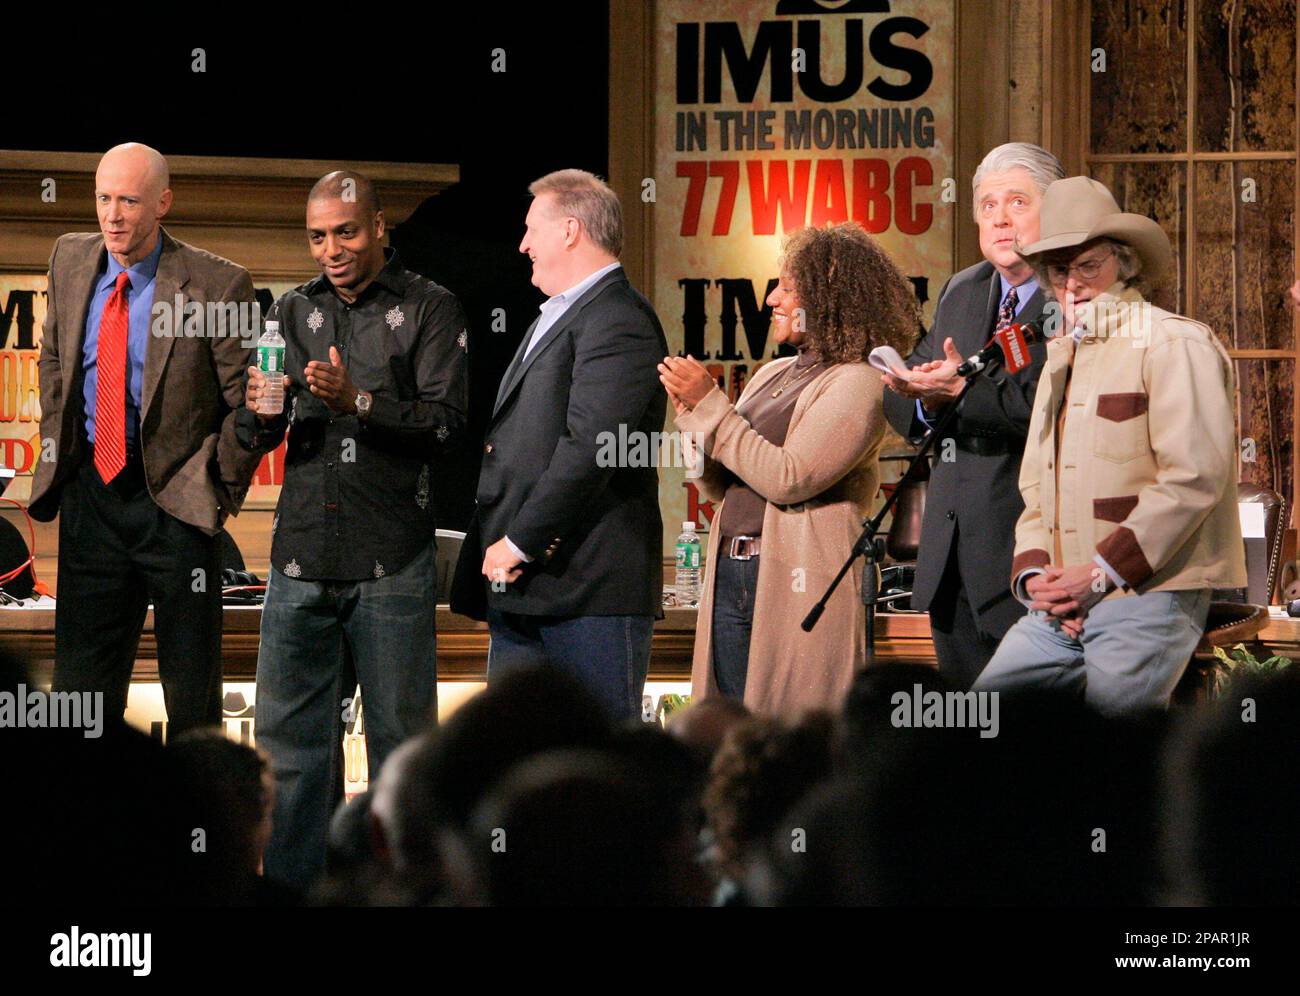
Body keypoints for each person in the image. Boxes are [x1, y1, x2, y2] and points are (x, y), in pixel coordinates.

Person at [238, 170, 468, 889]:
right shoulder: (290, 310)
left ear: (378, 227)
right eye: (316, 236)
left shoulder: (431, 306)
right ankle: (296, 895)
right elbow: (262, 431)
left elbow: (448, 425)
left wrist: (358, 400)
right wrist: (260, 409)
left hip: (390, 560)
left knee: (402, 751)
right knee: (291, 754)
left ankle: (408, 894)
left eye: (345, 231)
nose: (330, 249)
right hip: (299, 558)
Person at [973, 175, 1247, 715]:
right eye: (1059, 269)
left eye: (1088, 266)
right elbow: (1035, 487)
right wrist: (1038, 580)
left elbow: (1193, 478)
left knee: (1111, 760)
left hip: (1148, 594)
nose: (1072, 283)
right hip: (1063, 605)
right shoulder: (1061, 358)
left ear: (1123, 263)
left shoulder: (1172, 341)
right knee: (977, 727)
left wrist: (1099, 575)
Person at [29, 143, 262, 735]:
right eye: (104, 198)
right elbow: (56, 360)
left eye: (128, 201)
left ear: (162, 202)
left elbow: (247, 405)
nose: (112, 215)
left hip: (176, 506)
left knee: (191, 699)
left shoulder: (216, 283)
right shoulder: (70, 258)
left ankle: (200, 822)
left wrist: (212, 490)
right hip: (91, 497)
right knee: (81, 697)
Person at [659, 222, 917, 717]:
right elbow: (723, 485)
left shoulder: (861, 382)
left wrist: (712, 406)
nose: (772, 299)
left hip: (797, 575)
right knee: (730, 725)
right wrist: (693, 419)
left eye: (788, 288)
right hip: (733, 570)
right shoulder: (773, 372)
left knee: (784, 728)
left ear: (830, 298)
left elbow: (790, 477)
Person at [449, 169, 667, 721]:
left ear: (570, 230)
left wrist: (520, 540)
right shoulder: (561, 314)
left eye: (531, 229)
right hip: (532, 592)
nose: (523, 245)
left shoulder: (620, 319)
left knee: (598, 771)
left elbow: (593, 446)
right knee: (519, 771)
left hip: (588, 592)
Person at [882, 143, 1065, 690]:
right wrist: (916, 393)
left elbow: (1045, 409)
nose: (1000, 219)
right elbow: (909, 384)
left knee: (1023, 740)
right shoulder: (962, 289)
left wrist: (960, 389)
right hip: (948, 557)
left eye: (1016, 202)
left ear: (1051, 212)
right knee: (964, 745)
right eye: (988, 206)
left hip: (1025, 556)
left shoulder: (1070, 297)